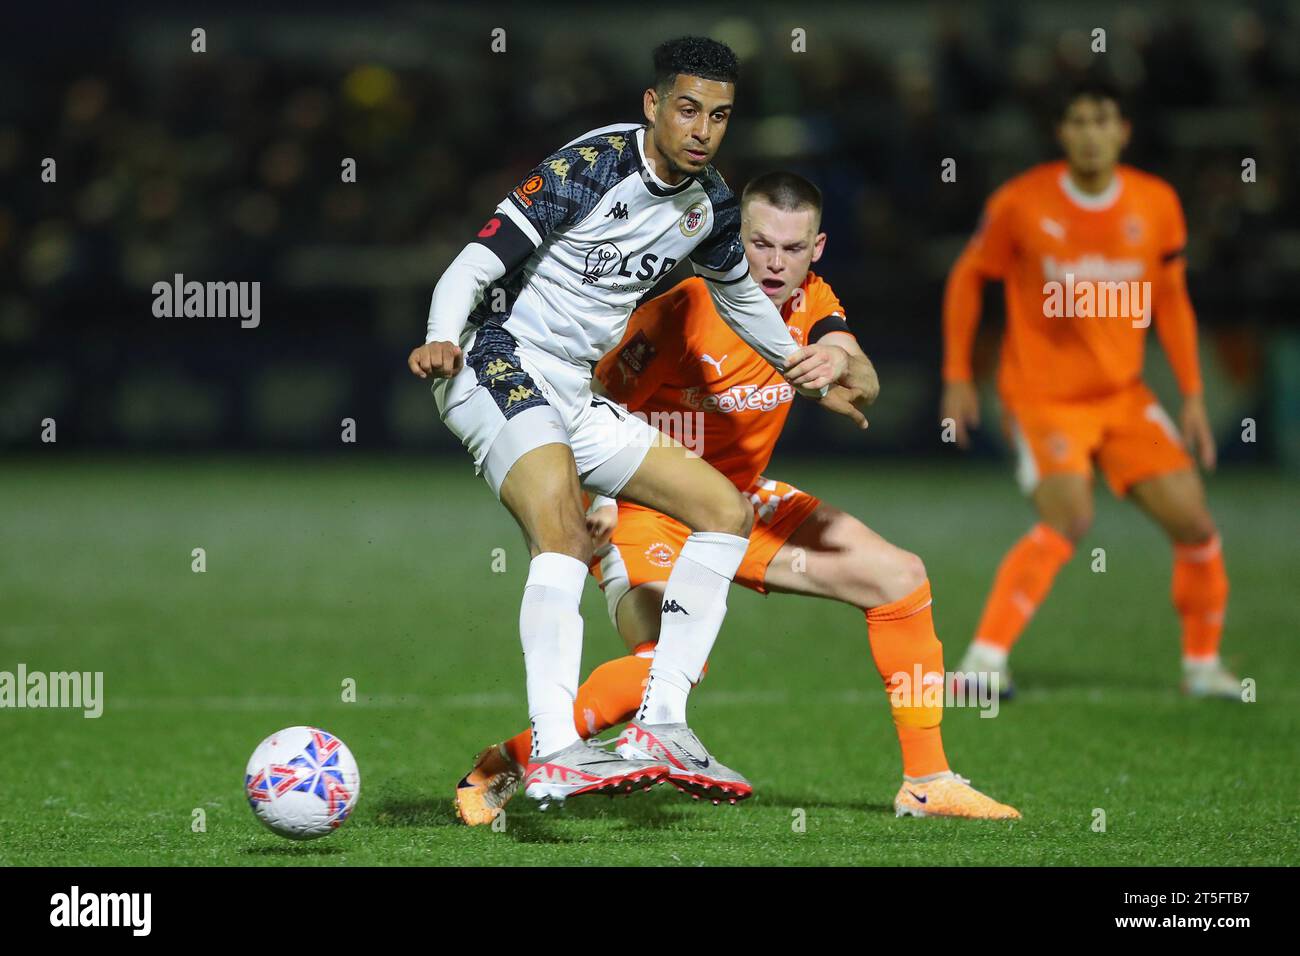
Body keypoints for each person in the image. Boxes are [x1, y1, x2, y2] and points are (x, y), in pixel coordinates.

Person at [455, 171, 1021, 825]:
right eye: (760, 243)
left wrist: (840, 365)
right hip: (648, 511)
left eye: (792, 247)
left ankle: (928, 782)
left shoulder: (815, 302)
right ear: (732, 237)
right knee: (660, 670)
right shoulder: (683, 311)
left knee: (900, 579)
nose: (775, 262)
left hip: (743, 506)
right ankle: (504, 766)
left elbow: (861, 376)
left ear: (818, 248)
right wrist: (591, 504)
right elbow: (590, 405)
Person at [409, 38, 853, 805]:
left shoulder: (710, 204)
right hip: (495, 355)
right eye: (687, 109)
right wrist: (444, 333)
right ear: (654, 105)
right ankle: (555, 748)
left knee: (724, 509)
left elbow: (744, 297)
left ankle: (664, 724)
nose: (702, 129)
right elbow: (478, 260)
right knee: (561, 529)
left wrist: (797, 366)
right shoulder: (591, 167)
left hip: (573, 390)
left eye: (718, 116)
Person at [940, 79, 1238, 699]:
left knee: (1196, 525)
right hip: (1042, 397)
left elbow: (1173, 300)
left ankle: (1202, 667)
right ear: (1062, 133)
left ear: (1123, 130)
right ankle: (981, 663)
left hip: (1123, 397)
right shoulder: (1023, 202)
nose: (1090, 132)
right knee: (1070, 517)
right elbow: (969, 278)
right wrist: (958, 375)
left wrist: (1190, 394)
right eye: (1077, 120)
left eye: (1102, 119)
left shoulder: (1156, 203)